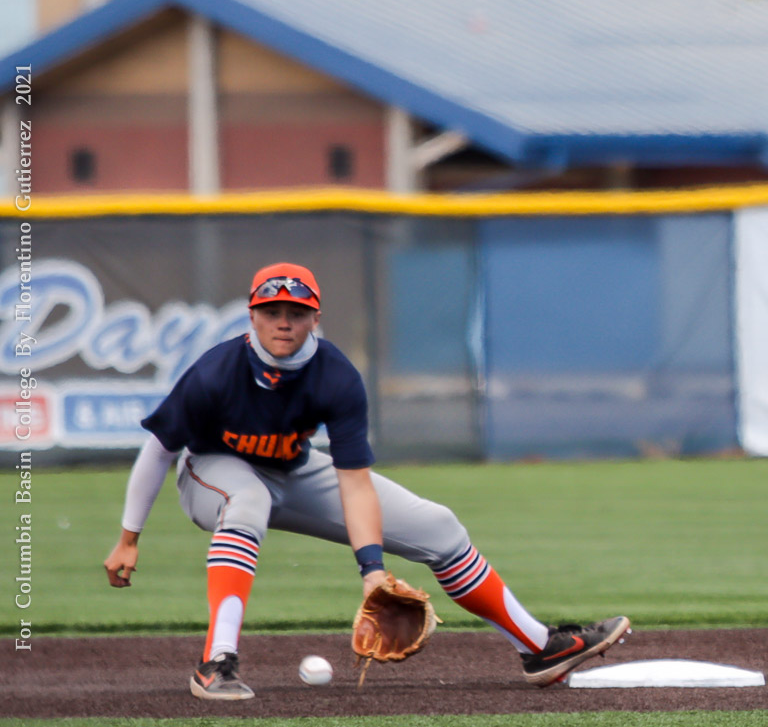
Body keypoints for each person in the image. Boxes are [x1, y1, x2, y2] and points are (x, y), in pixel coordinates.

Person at [103, 262, 630, 701]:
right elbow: (159, 450)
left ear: (315, 318)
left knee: (438, 527)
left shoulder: (336, 376)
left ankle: (539, 648)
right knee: (246, 499)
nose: (283, 322)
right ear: (252, 316)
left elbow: (354, 483)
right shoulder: (216, 371)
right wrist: (130, 538)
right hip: (210, 471)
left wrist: (372, 571)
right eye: (271, 311)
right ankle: (216, 664)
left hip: (292, 467)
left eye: (296, 312)